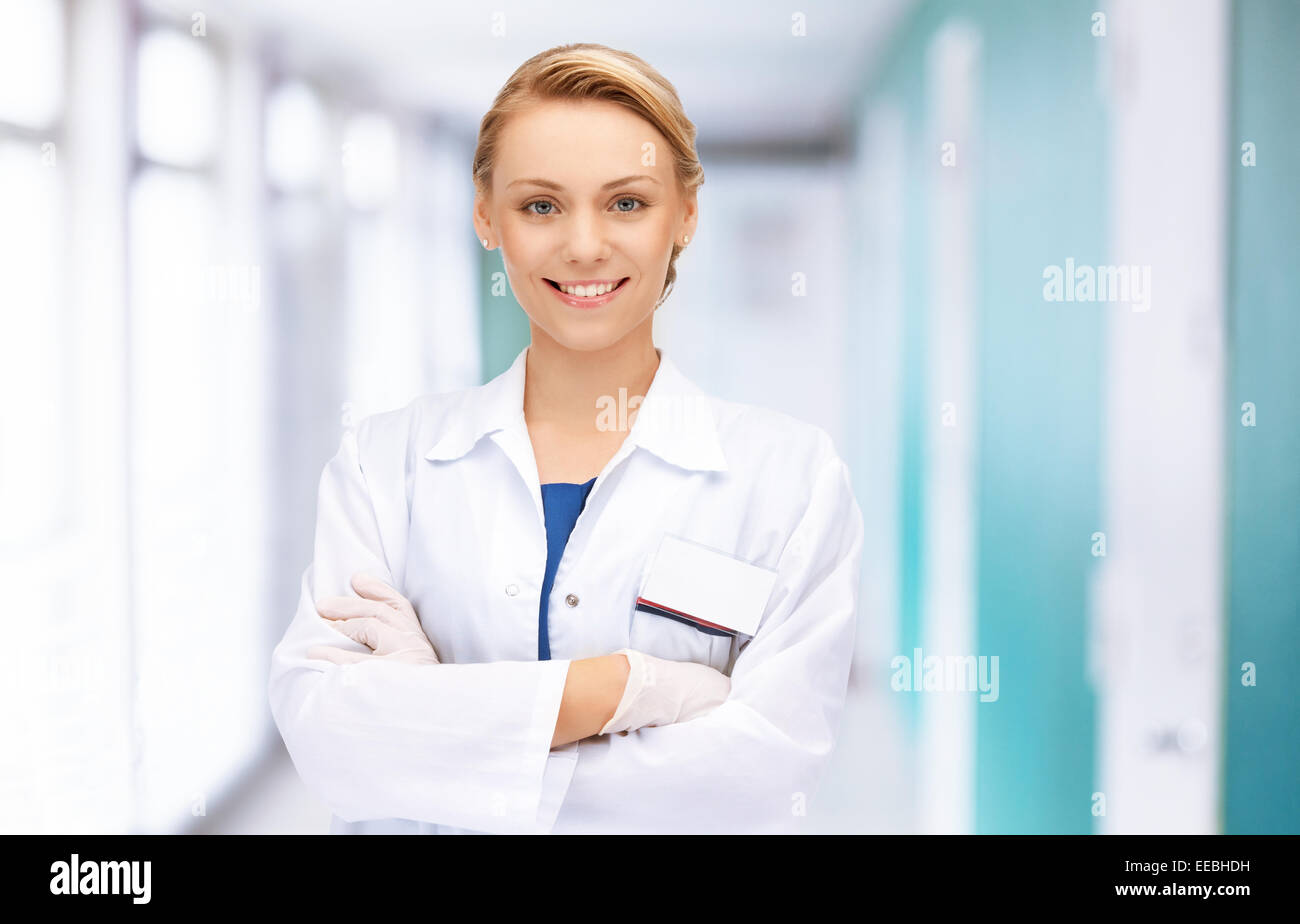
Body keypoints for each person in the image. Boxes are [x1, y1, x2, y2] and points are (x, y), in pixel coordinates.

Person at [267, 42, 865, 834]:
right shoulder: (385, 466)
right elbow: (334, 742)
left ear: (685, 213)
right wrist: (635, 687)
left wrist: (438, 715)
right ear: (486, 215)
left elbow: (757, 775)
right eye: (540, 205)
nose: (584, 246)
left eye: (626, 203)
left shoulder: (790, 478)